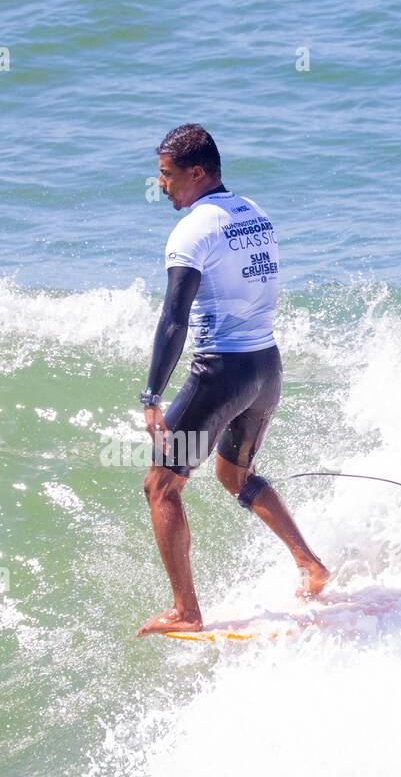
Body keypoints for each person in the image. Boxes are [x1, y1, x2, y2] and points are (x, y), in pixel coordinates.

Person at [137, 124, 329, 637]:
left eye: (167, 174)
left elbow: (174, 318)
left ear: (196, 173)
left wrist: (152, 395)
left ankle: (185, 611)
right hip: (265, 369)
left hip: (221, 372)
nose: (161, 185)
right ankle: (309, 564)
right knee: (233, 477)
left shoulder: (190, 231)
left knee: (160, 486)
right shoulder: (254, 213)